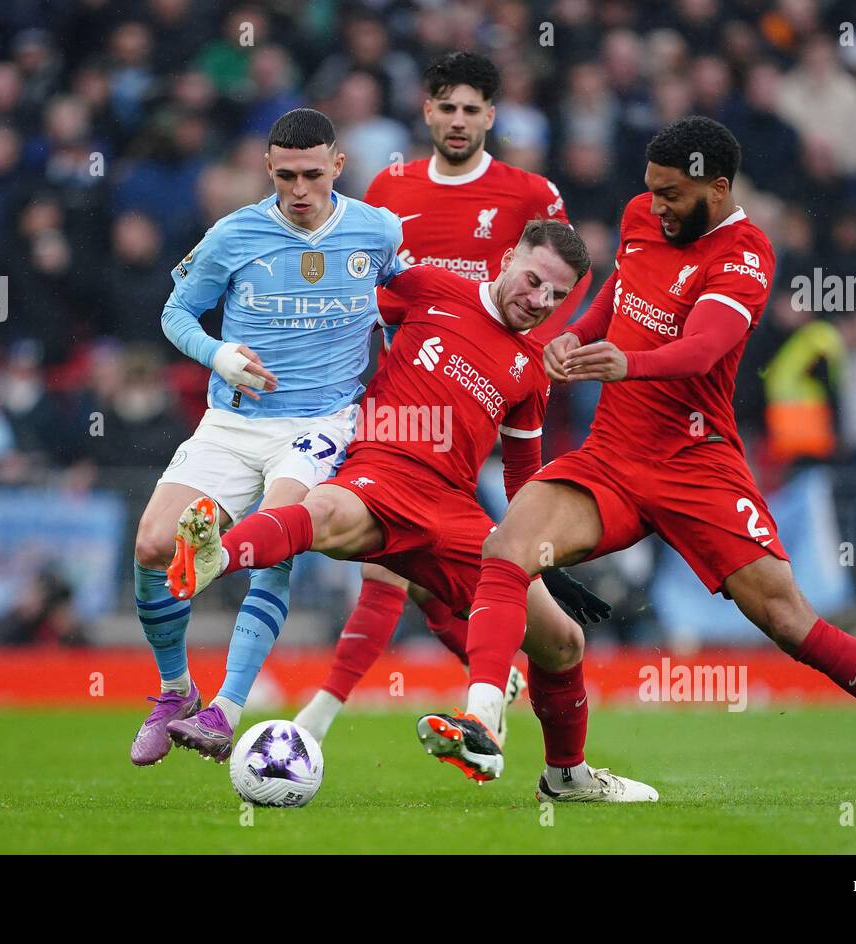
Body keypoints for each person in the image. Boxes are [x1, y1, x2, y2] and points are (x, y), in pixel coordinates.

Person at [447, 116, 856, 804]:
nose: (658, 205)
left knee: (791, 622)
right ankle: (485, 720)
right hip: (611, 457)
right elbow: (623, 289)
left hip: (696, 465)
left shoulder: (747, 252)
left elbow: (705, 348)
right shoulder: (643, 215)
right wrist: (573, 337)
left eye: (673, 193)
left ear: (718, 187)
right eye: (652, 190)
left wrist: (627, 362)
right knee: (508, 545)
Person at [171, 220, 658, 802]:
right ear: (507, 259)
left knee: (563, 641)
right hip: (381, 470)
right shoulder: (431, 288)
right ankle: (215, 556)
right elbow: (341, 310)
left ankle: (564, 775)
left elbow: (524, 474)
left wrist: (541, 554)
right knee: (322, 512)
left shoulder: (531, 369)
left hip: (455, 509)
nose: (540, 303)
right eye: (533, 282)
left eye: (557, 297)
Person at [294, 50, 600, 745]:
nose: (459, 121)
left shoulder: (531, 193)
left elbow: (568, 276)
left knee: (419, 562)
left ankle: (345, 714)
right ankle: (458, 695)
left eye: (473, 109)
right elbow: (365, 279)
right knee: (394, 566)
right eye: (447, 107)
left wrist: (543, 347)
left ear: (492, 116)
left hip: (489, 394)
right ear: (426, 111)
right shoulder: (392, 187)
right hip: (412, 385)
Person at [127, 108, 406, 766]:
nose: (300, 189)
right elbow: (176, 311)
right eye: (286, 176)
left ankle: (227, 709)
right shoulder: (234, 233)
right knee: (151, 544)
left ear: (339, 166)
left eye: (313, 174)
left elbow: (410, 304)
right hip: (232, 420)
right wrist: (217, 356)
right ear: (268, 170)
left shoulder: (378, 230)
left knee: (278, 533)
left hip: (321, 421)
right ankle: (176, 694)